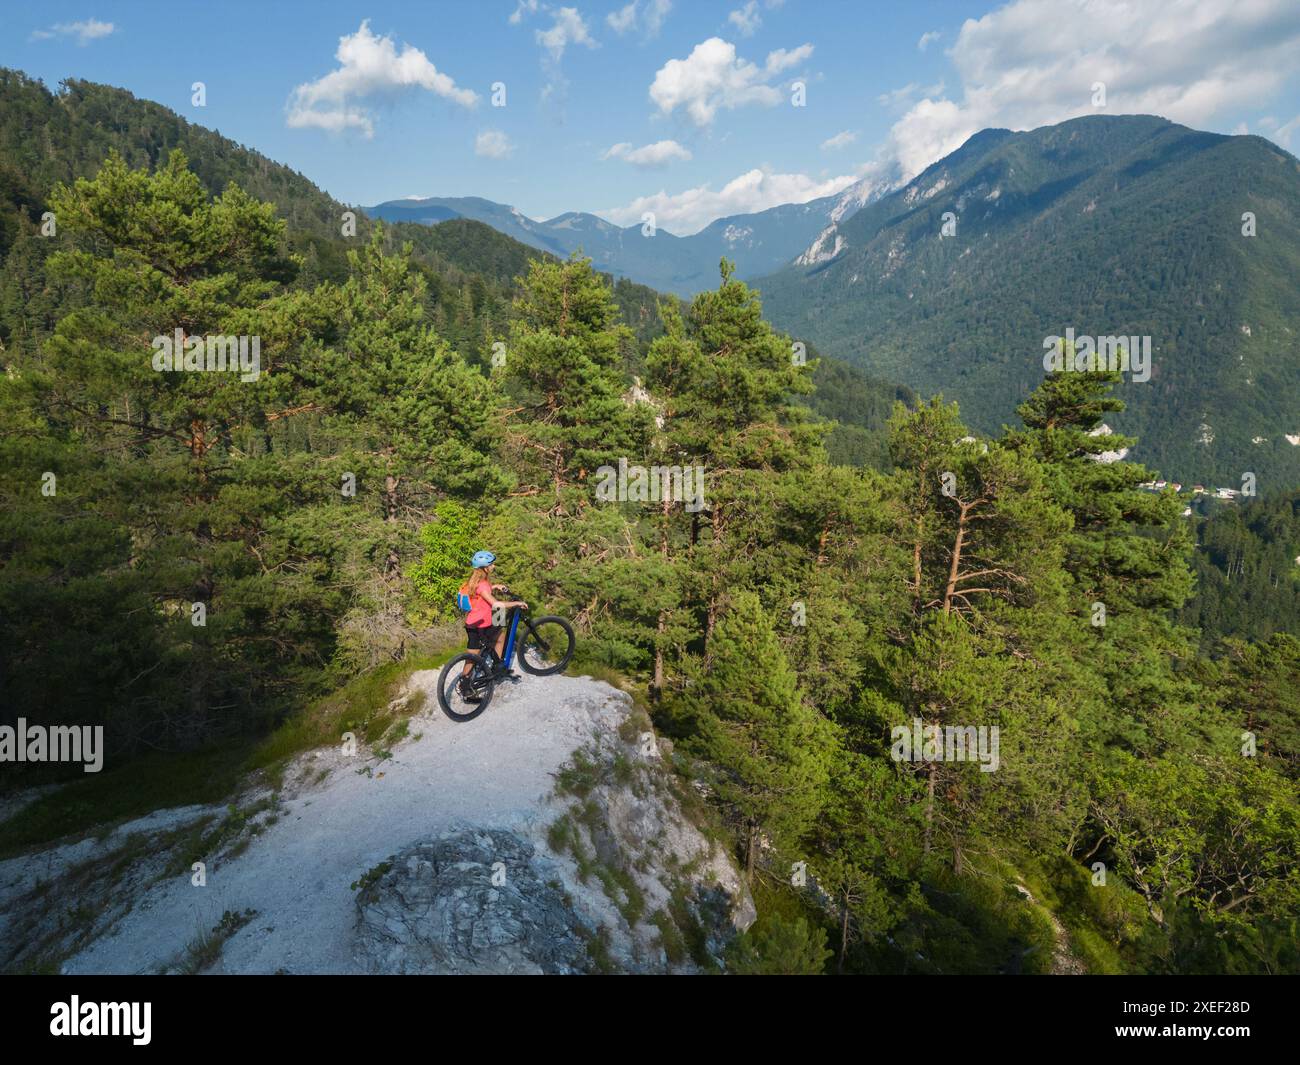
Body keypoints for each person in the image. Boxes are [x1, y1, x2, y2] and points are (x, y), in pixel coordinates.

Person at [459, 550, 526, 701]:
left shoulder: (476, 580)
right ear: (484, 567)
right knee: (476, 653)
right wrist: (517, 603)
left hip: (475, 621)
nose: (494, 566)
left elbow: (482, 592)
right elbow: (495, 603)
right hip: (482, 623)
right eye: (491, 564)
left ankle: (494, 667)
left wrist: (495, 587)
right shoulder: (482, 584)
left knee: (495, 639)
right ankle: (491, 671)